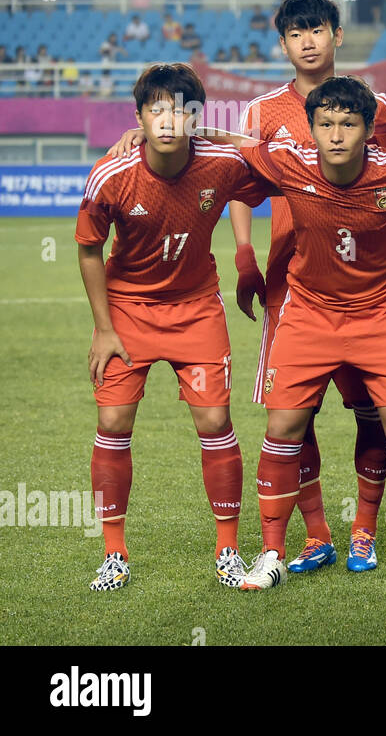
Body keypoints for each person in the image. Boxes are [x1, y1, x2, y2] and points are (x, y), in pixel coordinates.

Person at [109, 0, 386, 576]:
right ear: (284, 44)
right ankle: (316, 533)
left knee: (374, 409)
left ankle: (364, 529)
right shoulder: (263, 111)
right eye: (296, 34)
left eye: (318, 30)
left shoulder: (375, 107)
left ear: (337, 36)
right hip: (290, 280)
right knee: (295, 413)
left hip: (366, 286)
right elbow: (238, 179)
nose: (309, 42)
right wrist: (245, 256)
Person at [234, 76, 386, 592]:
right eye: (325, 124)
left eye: (349, 123)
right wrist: (158, 131)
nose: (337, 134)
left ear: (370, 129)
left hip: (381, 315)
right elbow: (226, 144)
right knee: (282, 429)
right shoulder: (289, 164)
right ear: (311, 128)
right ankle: (272, 552)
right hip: (308, 314)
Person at [75, 63, 267, 592]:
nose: (167, 120)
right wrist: (103, 328)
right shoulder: (111, 173)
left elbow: (265, 152)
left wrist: (206, 129)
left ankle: (228, 548)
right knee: (113, 423)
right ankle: (114, 553)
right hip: (128, 310)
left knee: (214, 422)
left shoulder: (220, 162)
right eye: (155, 110)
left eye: (180, 110)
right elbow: (88, 248)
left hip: (196, 307)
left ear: (196, 118)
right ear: (138, 117)